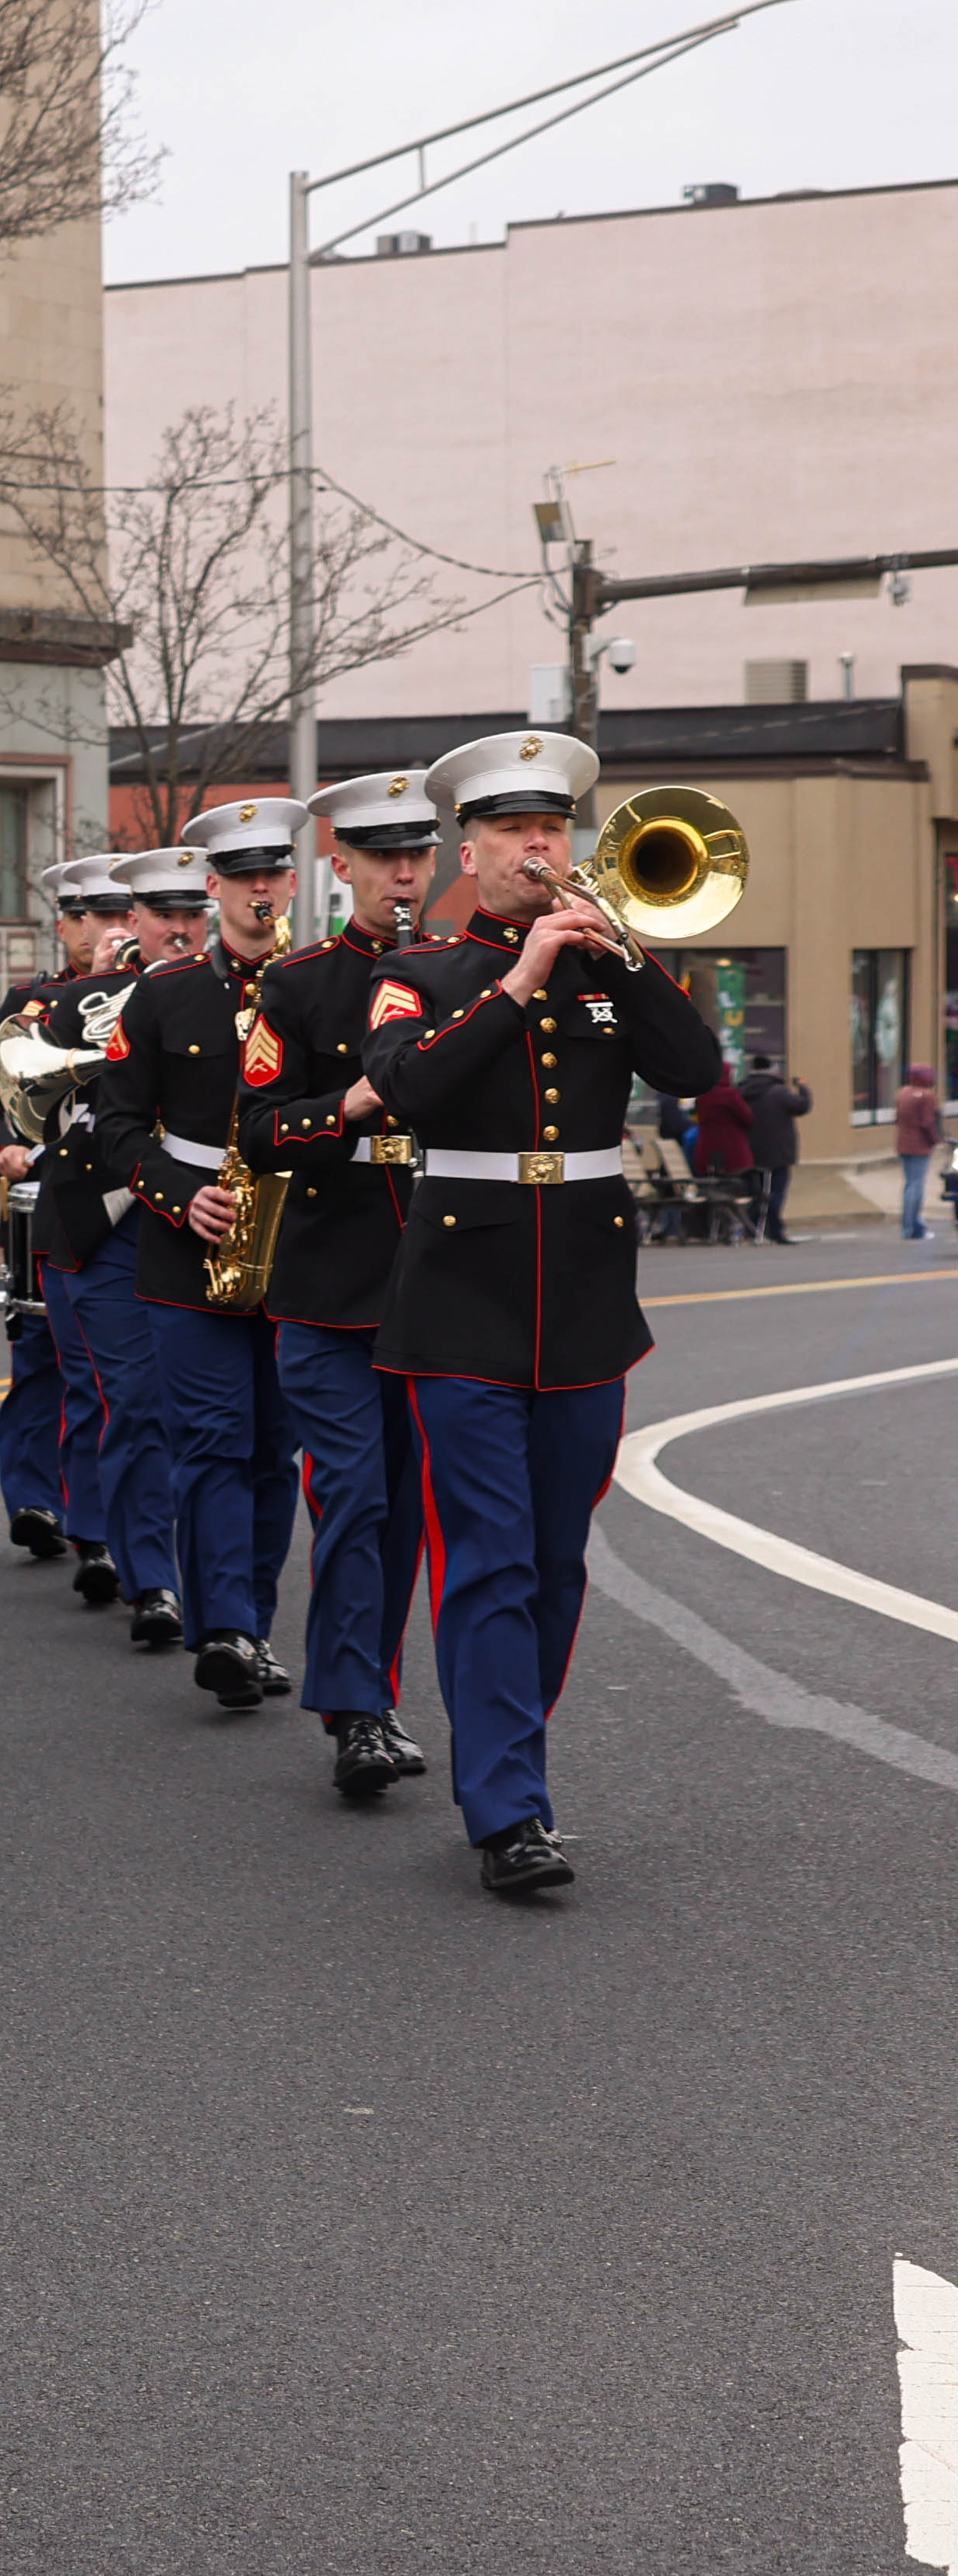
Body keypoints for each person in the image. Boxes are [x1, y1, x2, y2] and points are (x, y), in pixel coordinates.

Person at [362, 729, 724, 1895]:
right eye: (515, 829)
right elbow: (409, 1087)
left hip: (580, 1301)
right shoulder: (423, 971)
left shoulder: (608, 964)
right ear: (467, 847)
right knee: (490, 1559)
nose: (538, 847)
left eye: (552, 827)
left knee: (557, 1561)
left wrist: (617, 954)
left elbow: (698, 1070)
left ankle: (503, 1743)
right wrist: (519, 985)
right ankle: (510, 1806)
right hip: (460, 1298)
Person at [236, 772, 438, 1798]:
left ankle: (377, 1692)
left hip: (440, 1282)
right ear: (342, 864)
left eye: (418, 853)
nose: (403, 872)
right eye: (381, 855)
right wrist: (351, 1103)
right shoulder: (302, 983)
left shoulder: (471, 972)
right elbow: (261, 1130)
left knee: (404, 1507)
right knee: (353, 1494)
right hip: (327, 1284)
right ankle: (354, 1709)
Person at [90, 805, 308, 1709]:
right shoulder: (164, 995)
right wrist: (180, 1198)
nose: (260, 891)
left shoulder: (319, 986)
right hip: (191, 1249)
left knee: (274, 1448)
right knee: (212, 1441)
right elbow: (112, 1126)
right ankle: (226, 1625)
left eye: (274, 874)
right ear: (211, 885)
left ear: (292, 883)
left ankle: (249, 1616)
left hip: (297, 1245)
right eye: (241, 876)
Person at [32, 859, 179, 1636]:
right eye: (160, 912)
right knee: (131, 1403)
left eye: (193, 909)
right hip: (111, 1221)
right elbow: (39, 1111)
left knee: (222, 1419)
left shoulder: (250, 995)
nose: (176, 927)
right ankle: (148, 1576)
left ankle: (220, 1592)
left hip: (211, 1218)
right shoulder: (71, 1006)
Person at [0, 867, 114, 1567]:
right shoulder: (30, 1004)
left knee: (116, 1375)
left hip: (130, 1197)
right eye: (84, 916)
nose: (99, 929)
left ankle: (103, 1515)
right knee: (42, 1355)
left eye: (114, 913)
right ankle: (34, 1498)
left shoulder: (163, 994)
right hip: (47, 1198)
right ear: (63, 925)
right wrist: (6, 1150)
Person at [738, 1050, 812, 1243]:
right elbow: (802, 1106)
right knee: (777, 1191)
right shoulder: (779, 1092)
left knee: (757, 1191)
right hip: (779, 1152)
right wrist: (803, 1088)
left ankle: (753, 1227)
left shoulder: (743, 1091)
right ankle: (775, 1230)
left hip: (752, 1151)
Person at [687, 1064, 756, 1239]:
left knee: (715, 1187)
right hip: (733, 1151)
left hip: (707, 1150)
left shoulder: (703, 1096)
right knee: (736, 1187)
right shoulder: (730, 1095)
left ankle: (716, 1229)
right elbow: (748, 1117)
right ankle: (738, 1227)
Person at [897, 1061, 939, 1242]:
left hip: (903, 1144)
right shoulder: (927, 1096)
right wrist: (936, 1139)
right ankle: (914, 1228)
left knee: (909, 1185)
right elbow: (927, 1122)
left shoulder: (902, 1093)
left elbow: (896, 1118)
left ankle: (907, 1226)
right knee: (917, 1186)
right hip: (920, 1146)